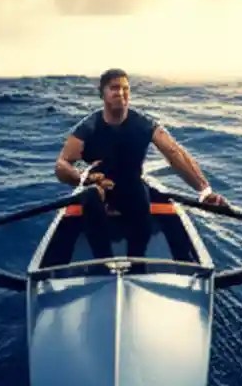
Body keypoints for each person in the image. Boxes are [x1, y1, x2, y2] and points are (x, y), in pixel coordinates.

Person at [54, 68, 227, 259]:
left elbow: (174, 152)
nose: (121, 93)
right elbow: (62, 164)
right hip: (97, 187)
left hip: (131, 185)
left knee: (140, 196)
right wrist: (82, 179)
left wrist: (204, 191)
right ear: (102, 93)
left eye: (125, 88)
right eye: (114, 88)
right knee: (92, 197)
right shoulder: (89, 126)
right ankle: (103, 260)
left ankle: (137, 259)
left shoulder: (143, 124)